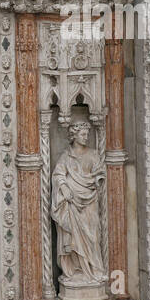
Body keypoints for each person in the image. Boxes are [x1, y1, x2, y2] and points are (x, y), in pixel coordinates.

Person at [51, 121, 107, 288]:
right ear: (74, 136)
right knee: (73, 238)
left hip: (89, 202)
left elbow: (100, 172)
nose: (86, 137)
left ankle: (94, 269)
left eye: (87, 134)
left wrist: (96, 180)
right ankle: (76, 270)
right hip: (71, 203)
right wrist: (64, 187)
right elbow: (58, 174)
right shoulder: (66, 156)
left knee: (93, 235)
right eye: (82, 134)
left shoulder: (93, 154)